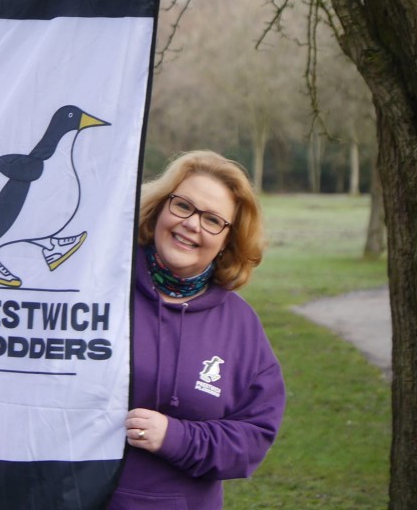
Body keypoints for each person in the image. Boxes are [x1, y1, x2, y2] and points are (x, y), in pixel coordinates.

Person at [107, 150, 286, 509]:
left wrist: (175, 437)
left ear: (226, 242)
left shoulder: (240, 326)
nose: (192, 224)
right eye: (183, 206)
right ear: (159, 208)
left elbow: (254, 438)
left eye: (212, 220)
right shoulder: (101, 292)